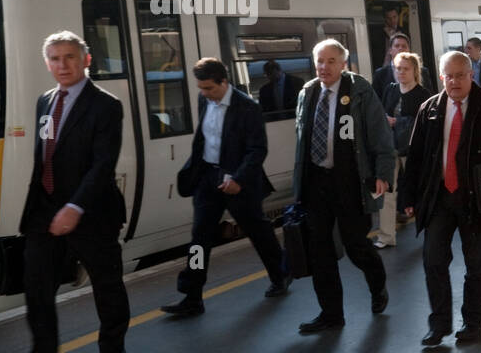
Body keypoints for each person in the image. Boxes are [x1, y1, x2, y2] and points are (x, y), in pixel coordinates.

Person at [21, 31, 130, 353]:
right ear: (47, 64)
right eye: (54, 58)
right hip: (44, 211)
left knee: (106, 286)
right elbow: (46, 157)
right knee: (37, 291)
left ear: (86, 60)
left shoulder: (106, 106)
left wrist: (75, 207)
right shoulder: (44, 101)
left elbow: (103, 164)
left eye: (69, 57)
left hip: (92, 212)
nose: (61, 64)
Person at [402, 51, 481, 345]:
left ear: (472, 75)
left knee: (477, 265)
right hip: (439, 198)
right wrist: (409, 197)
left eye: (460, 75)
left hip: (477, 198)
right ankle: (439, 325)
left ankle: (473, 324)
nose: (454, 81)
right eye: (449, 76)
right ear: (441, 77)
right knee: (433, 261)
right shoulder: (429, 109)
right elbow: (415, 156)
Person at [163, 57, 288, 317]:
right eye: (201, 89)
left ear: (224, 82)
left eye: (209, 88)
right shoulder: (203, 100)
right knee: (199, 238)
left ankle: (280, 274)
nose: (204, 94)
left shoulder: (248, 107)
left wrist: (238, 179)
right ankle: (192, 295)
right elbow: (203, 138)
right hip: (208, 177)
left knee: (257, 230)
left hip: (238, 180)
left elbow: (257, 150)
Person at [292, 39, 395, 334]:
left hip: (350, 180)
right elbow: (302, 140)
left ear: (344, 64)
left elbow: (379, 136)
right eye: (319, 61)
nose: (324, 67)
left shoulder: (360, 91)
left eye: (331, 61)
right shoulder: (308, 93)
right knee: (320, 251)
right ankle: (331, 314)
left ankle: (378, 286)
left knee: (355, 245)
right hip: (317, 182)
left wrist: (383, 173)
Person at [375, 51, 432, 248]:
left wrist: (396, 121)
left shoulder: (423, 95)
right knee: (388, 192)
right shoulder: (390, 89)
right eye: (398, 68)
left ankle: (428, 231)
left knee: (419, 189)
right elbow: (381, 113)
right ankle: (386, 237)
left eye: (405, 69)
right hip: (391, 148)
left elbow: (423, 123)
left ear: (415, 70)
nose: (400, 72)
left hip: (413, 150)